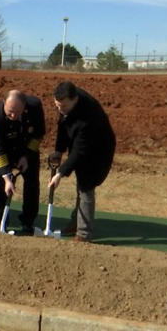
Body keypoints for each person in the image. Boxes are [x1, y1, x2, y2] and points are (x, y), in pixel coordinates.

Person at [47, 81, 115, 242]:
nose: (60, 110)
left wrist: (60, 173)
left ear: (74, 99)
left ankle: (84, 234)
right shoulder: (65, 104)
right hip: (83, 145)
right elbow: (63, 125)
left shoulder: (88, 116)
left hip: (98, 150)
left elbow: (80, 150)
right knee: (81, 185)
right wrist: (59, 150)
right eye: (57, 106)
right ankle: (76, 222)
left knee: (86, 186)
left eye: (63, 106)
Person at [0, 90, 45, 234]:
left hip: (26, 148)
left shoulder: (35, 106)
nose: (13, 116)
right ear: (4, 103)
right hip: (4, 150)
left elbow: (39, 134)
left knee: (32, 183)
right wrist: (7, 177)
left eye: (18, 112)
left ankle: (28, 222)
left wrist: (27, 156)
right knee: (1, 185)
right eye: (10, 112)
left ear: (24, 106)